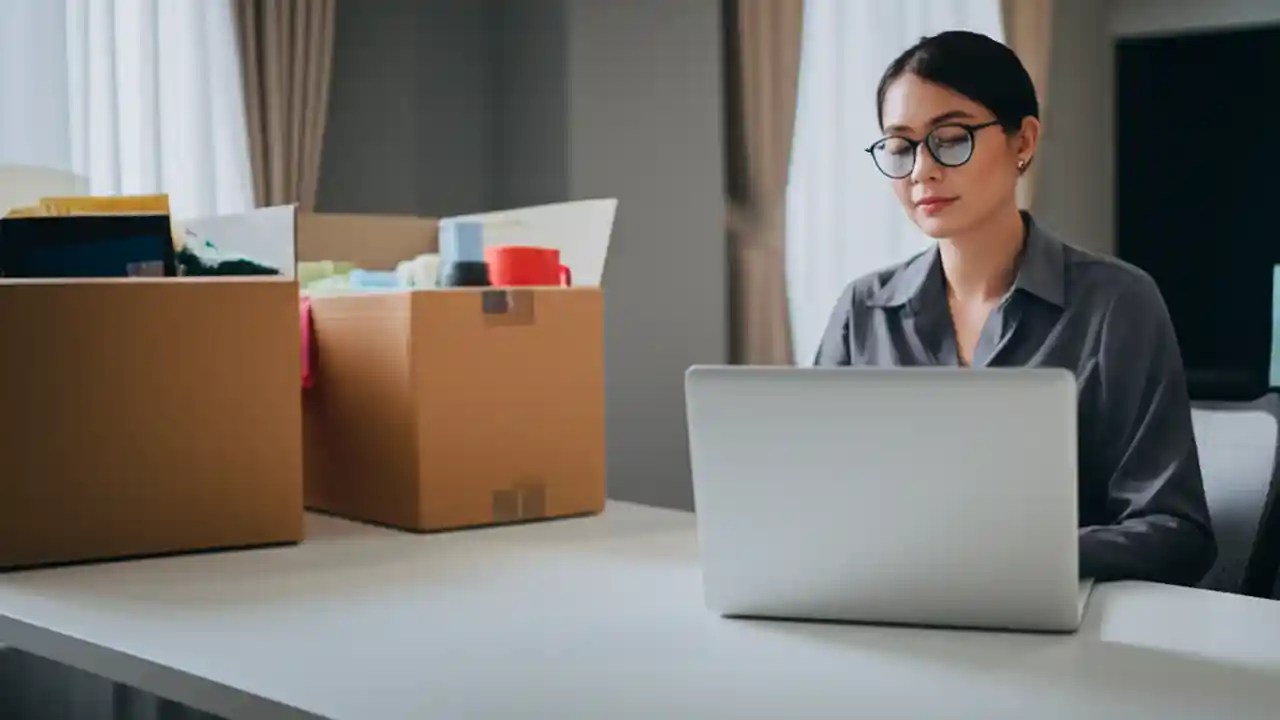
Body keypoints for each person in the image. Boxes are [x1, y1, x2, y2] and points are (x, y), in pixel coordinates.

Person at [813, 30, 1216, 586]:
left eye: (950, 139)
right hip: (890, 609)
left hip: (1062, 627)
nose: (921, 171)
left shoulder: (1117, 305)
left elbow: (1176, 533)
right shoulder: (863, 310)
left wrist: (1002, 557)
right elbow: (817, 502)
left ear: (1022, 141)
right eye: (901, 147)